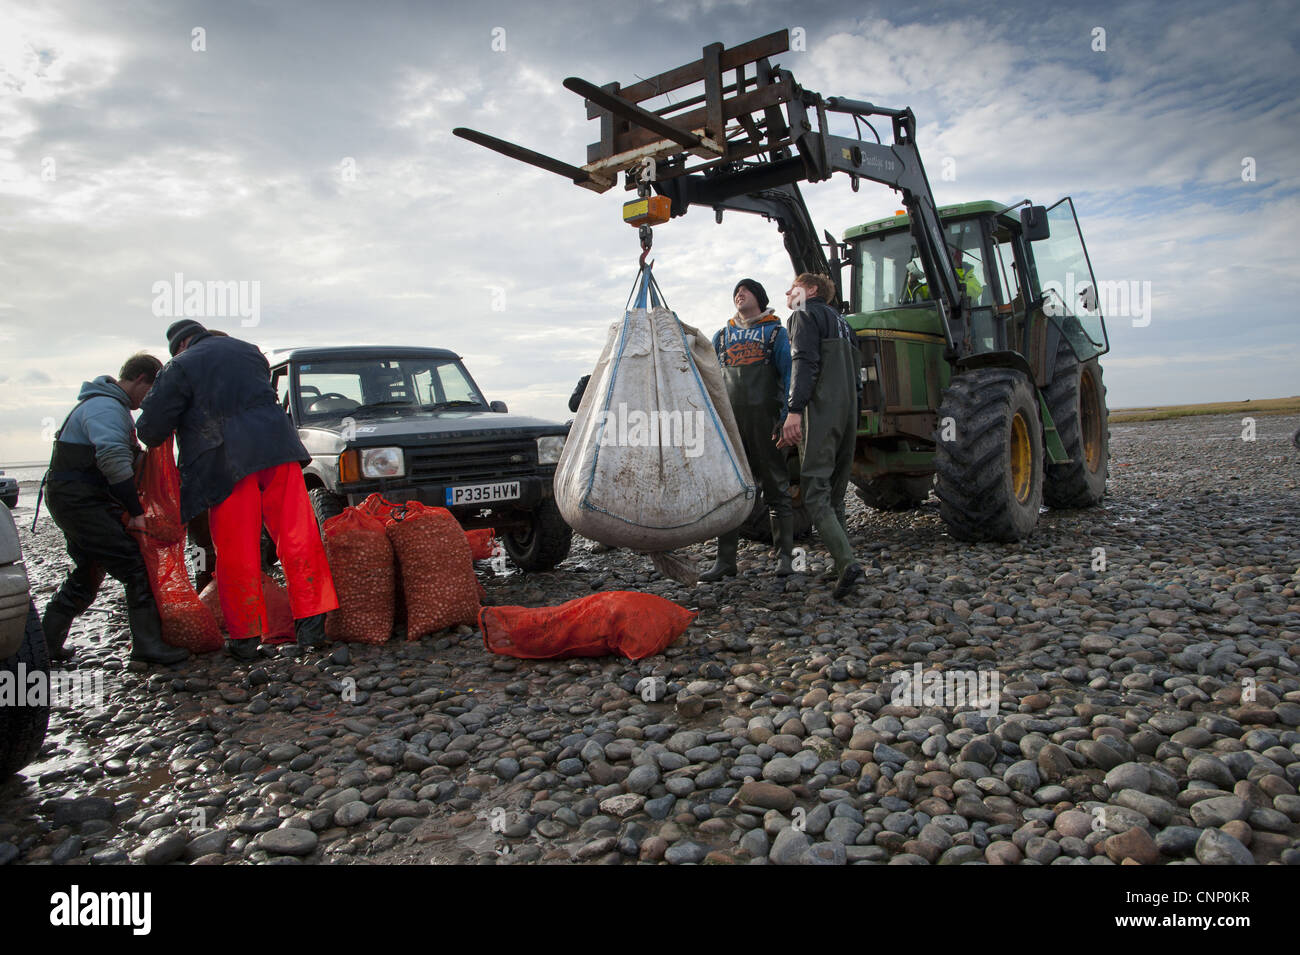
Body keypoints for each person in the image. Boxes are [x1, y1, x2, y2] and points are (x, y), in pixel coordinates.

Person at [136, 320, 338, 660]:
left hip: (226, 463)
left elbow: (150, 429)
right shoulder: (250, 352)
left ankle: (246, 639)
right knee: (298, 536)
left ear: (181, 344)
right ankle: (313, 630)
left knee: (236, 548)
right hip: (279, 451)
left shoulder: (180, 365)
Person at [40, 354, 189, 665]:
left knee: (88, 569)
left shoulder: (106, 406)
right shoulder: (105, 408)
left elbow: (126, 459)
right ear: (139, 380)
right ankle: (148, 645)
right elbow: (113, 461)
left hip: (72, 499)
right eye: (151, 392)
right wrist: (135, 510)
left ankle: (43, 645)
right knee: (135, 566)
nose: (149, 401)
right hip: (80, 502)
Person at [700, 278, 795, 580]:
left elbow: (790, 374)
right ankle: (726, 561)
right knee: (731, 490)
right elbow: (710, 379)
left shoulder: (776, 332)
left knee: (777, 487)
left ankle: (786, 559)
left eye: (746, 290)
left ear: (760, 297)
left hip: (767, 422)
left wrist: (788, 414)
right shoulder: (722, 336)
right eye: (736, 292)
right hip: (732, 425)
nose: (739, 294)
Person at [778, 273, 863, 599]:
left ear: (811, 290)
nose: (788, 292)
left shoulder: (802, 315)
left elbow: (805, 361)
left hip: (821, 411)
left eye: (794, 287)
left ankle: (847, 564)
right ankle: (840, 563)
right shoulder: (845, 324)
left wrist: (794, 410)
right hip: (848, 413)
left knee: (814, 492)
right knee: (837, 492)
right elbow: (857, 379)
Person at [907, 246, 983, 303]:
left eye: (951, 257)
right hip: (939, 313)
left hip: (963, 313)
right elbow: (928, 293)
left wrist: (958, 288)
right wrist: (913, 283)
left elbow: (975, 291)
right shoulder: (938, 274)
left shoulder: (968, 273)